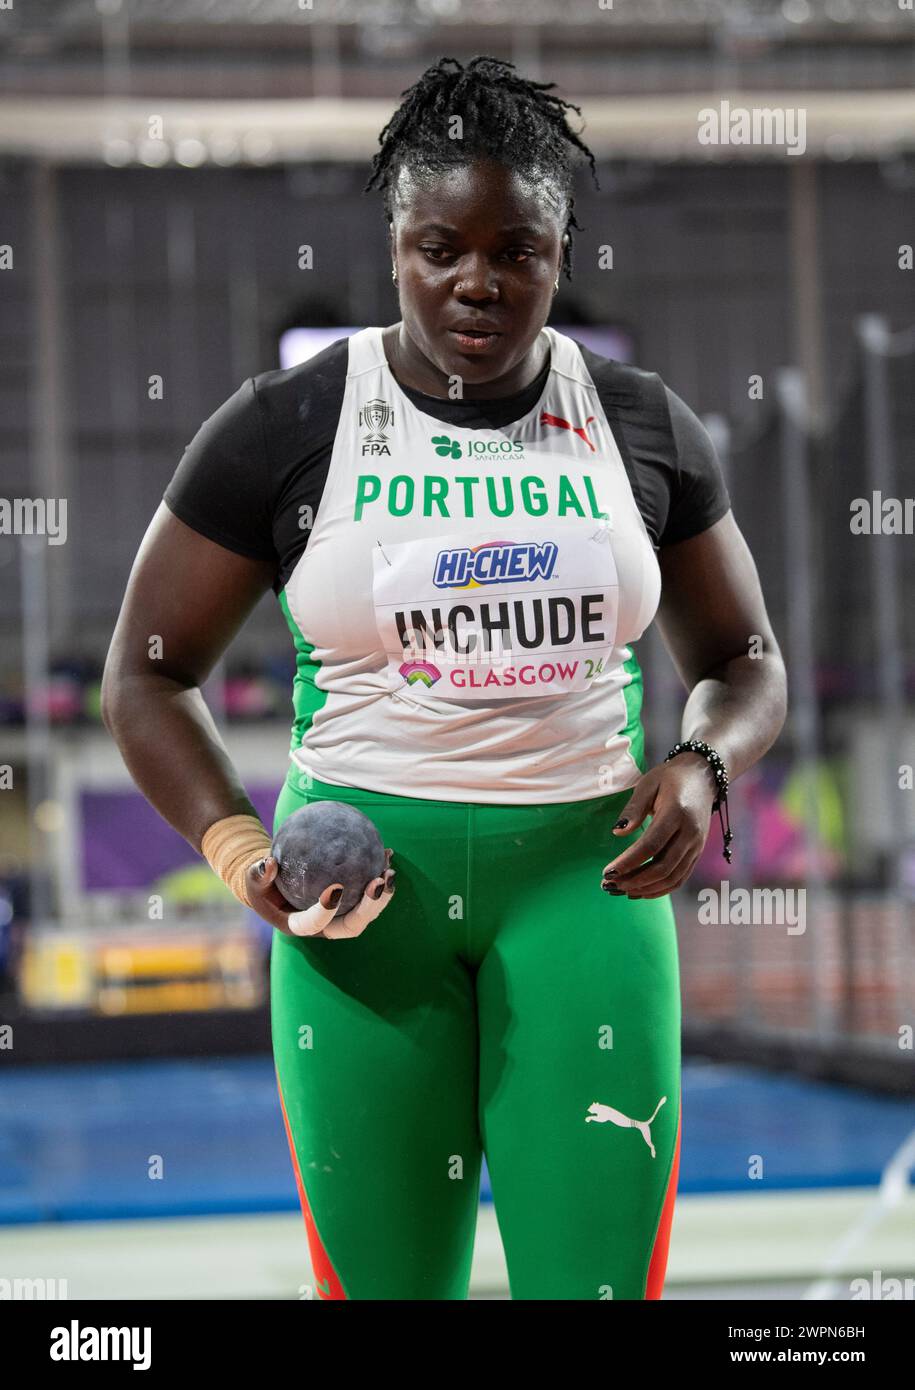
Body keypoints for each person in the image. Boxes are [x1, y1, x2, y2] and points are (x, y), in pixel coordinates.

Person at [101, 54, 787, 1300]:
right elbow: (146, 677)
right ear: (396, 244)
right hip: (365, 917)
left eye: (515, 249)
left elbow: (744, 661)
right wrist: (237, 851)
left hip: (588, 889)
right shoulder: (290, 424)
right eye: (439, 248)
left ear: (562, 252)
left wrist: (703, 765)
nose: (477, 281)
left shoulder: (638, 422)